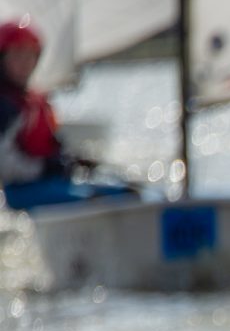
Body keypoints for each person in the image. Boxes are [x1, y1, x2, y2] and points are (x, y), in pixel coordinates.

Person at [0, 18, 133, 210]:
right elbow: (6, 165)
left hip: (50, 184)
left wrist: (70, 161)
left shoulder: (34, 102)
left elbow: (52, 147)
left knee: (126, 193)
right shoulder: (5, 108)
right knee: (95, 200)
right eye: (17, 55)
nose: (25, 63)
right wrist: (44, 167)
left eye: (30, 56)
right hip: (23, 193)